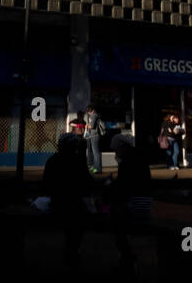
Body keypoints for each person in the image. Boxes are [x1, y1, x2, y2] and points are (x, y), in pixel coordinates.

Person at [43, 133, 95, 266]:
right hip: (75, 207)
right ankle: (73, 249)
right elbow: (88, 186)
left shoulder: (52, 161)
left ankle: (71, 250)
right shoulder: (77, 161)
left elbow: (47, 185)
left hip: (58, 204)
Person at [107, 134, 153, 269]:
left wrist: (110, 188)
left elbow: (123, 187)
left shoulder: (127, 161)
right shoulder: (138, 157)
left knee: (115, 222)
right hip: (144, 201)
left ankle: (127, 254)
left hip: (136, 203)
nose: (115, 153)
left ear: (121, 147)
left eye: (115, 149)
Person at [83, 104, 105, 174]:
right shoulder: (95, 115)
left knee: (96, 153)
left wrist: (86, 126)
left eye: (88, 111)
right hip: (93, 136)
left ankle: (98, 169)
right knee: (94, 152)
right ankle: (95, 167)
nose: (88, 112)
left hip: (94, 136)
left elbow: (92, 126)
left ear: (91, 110)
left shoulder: (93, 115)